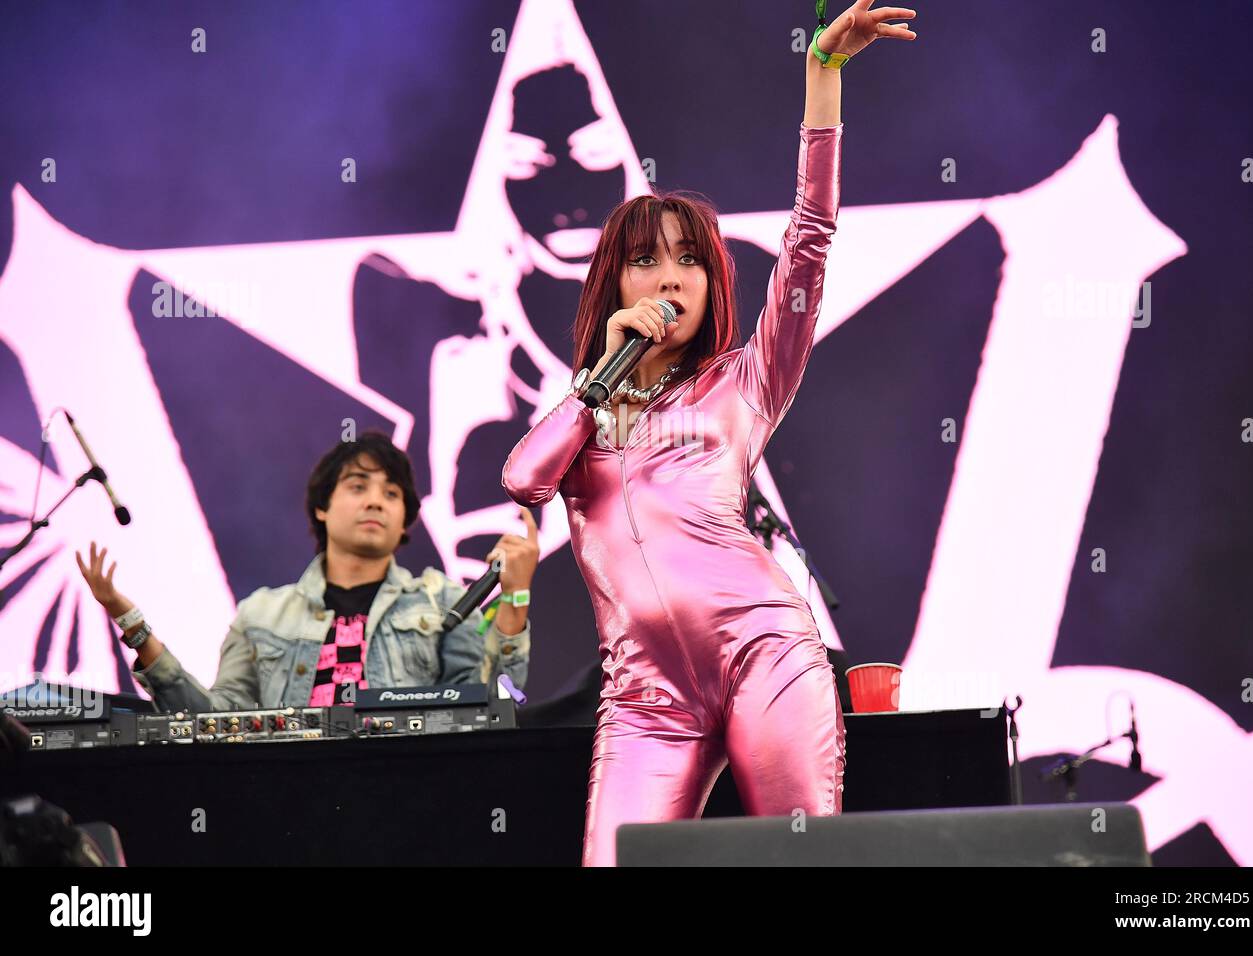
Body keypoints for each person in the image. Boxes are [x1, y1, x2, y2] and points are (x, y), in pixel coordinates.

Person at [502, 3, 918, 865]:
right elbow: (524, 479)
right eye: (647, 258)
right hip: (645, 695)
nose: (671, 275)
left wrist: (823, 76)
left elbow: (808, 243)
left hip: (766, 651)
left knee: (803, 861)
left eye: (690, 258)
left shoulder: (743, 381)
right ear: (614, 281)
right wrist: (600, 377)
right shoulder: (586, 408)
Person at [77, 431, 539, 714]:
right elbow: (210, 725)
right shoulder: (261, 614)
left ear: (405, 522)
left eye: (392, 494)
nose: (376, 500)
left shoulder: (443, 603)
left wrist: (515, 600)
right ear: (322, 506)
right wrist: (133, 625)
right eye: (358, 486)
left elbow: (490, 708)